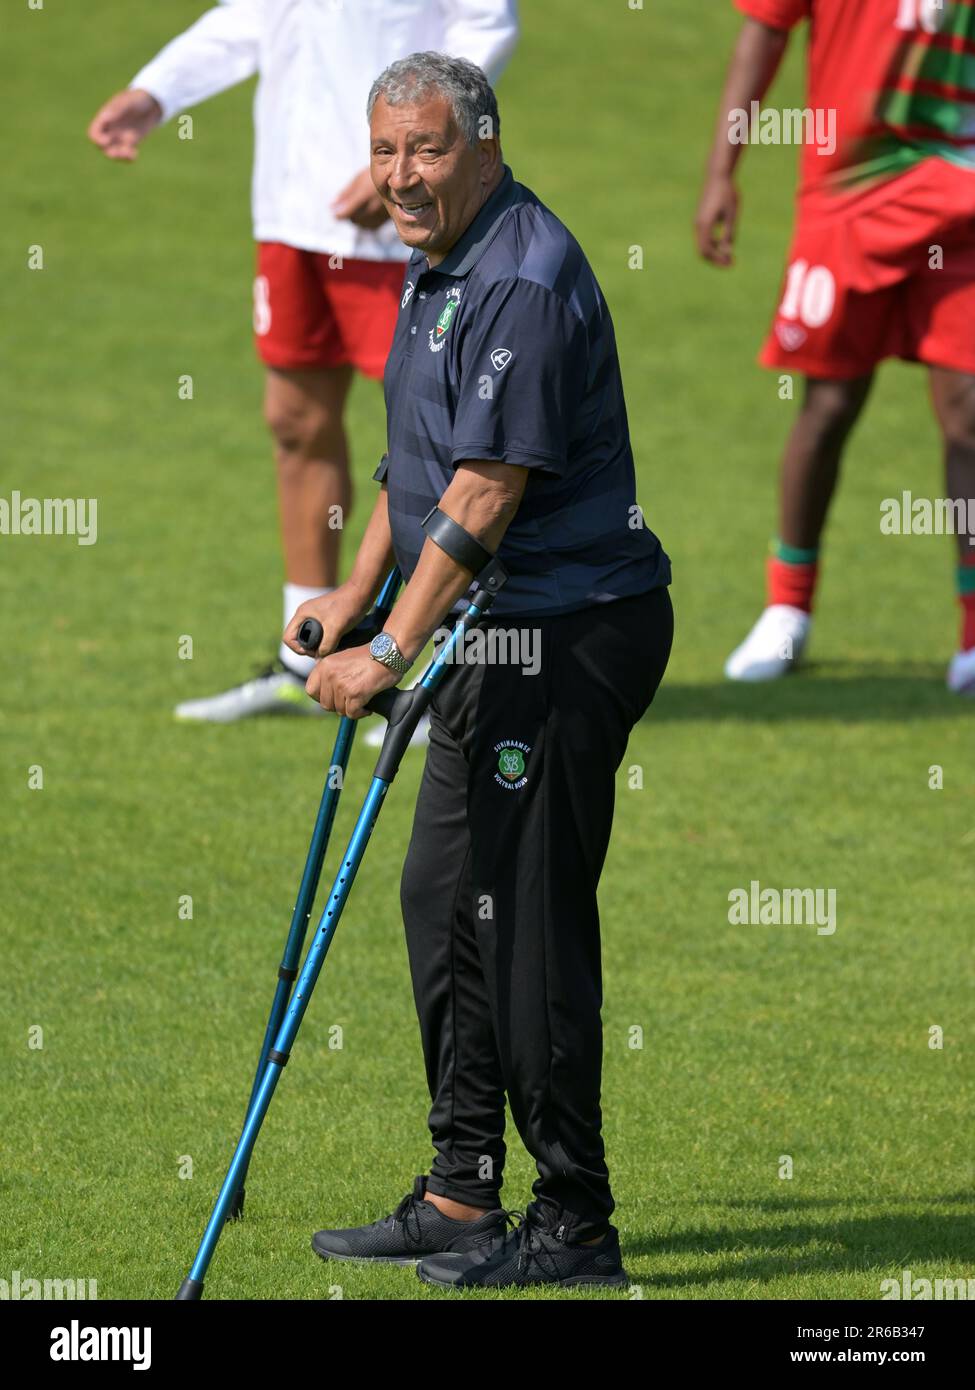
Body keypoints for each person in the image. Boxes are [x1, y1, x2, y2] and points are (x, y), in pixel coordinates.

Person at [283, 52, 673, 1289]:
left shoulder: (520, 278)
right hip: (485, 635)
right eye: (386, 150)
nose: (400, 176)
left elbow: (487, 488)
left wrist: (389, 650)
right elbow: (428, 467)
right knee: (444, 900)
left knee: (526, 928)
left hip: (566, 635)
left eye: (427, 151)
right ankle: (461, 1193)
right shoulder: (444, 261)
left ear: (486, 149)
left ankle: (576, 1222)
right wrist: (354, 598)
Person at [88, 0, 518, 722]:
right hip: (292, 210)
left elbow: (486, 25)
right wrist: (157, 90)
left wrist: (398, 164)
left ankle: (431, 666)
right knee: (295, 421)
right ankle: (304, 652)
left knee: (439, 436)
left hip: (396, 220)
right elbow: (251, 15)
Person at [696, 0, 975, 692]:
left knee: (968, 412)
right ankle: (786, 607)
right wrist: (720, 171)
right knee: (827, 402)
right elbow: (762, 32)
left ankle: (972, 632)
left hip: (962, 192)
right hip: (849, 191)